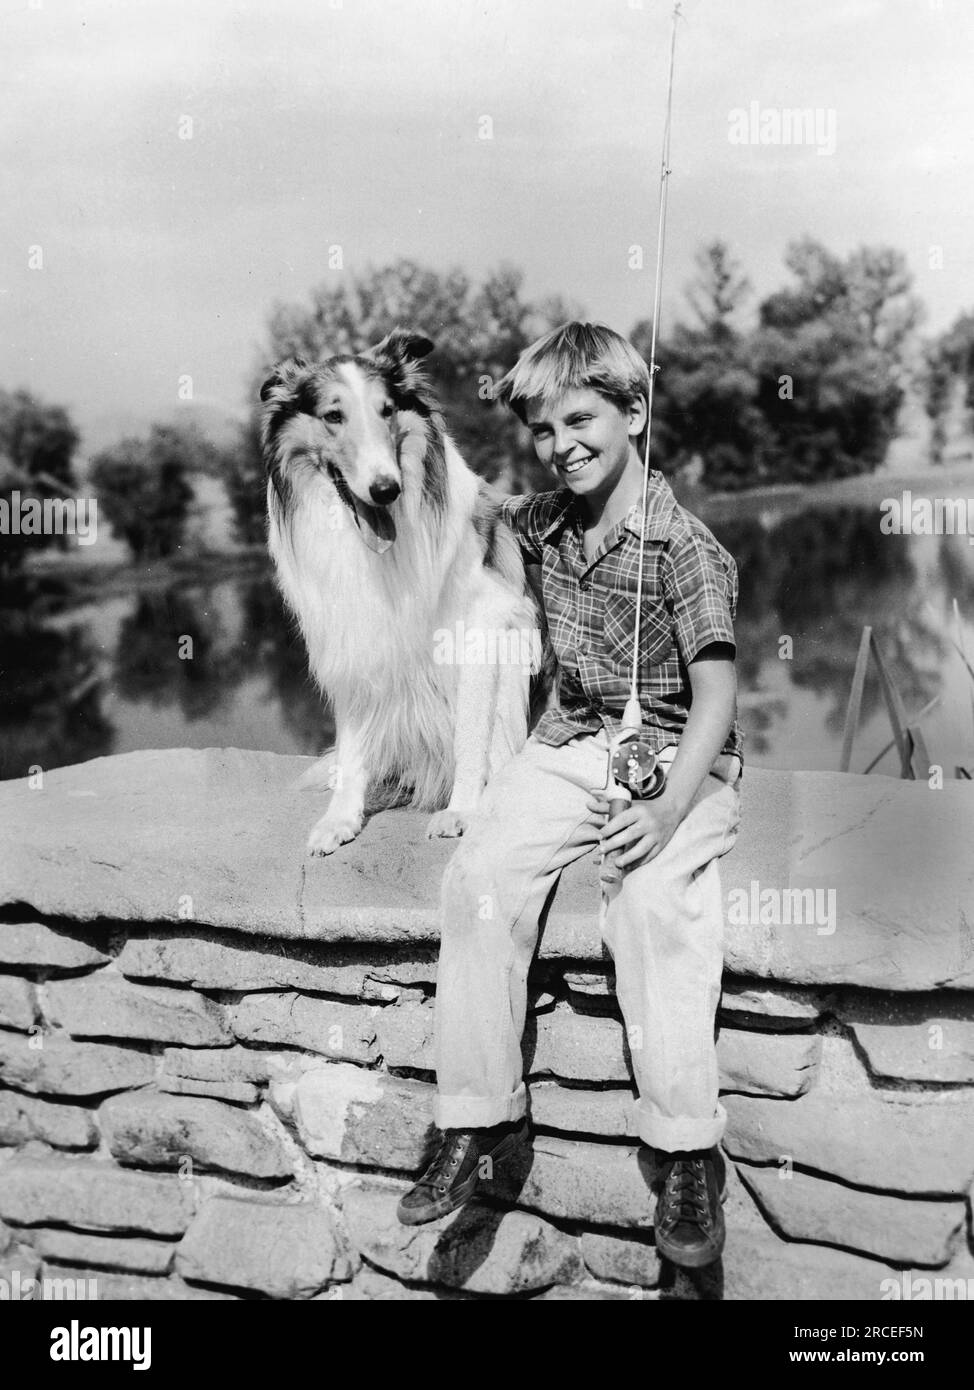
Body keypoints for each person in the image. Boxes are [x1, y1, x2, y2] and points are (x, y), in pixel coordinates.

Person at [397, 321, 744, 1269]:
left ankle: (684, 1149)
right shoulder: (541, 524)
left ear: (635, 413)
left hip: (679, 757)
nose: (563, 448)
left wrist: (669, 806)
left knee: (650, 897)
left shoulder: (686, 547)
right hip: (572, 745)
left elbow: (718, 693)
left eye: (583, 421)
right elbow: (469, 507)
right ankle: (474, 1117)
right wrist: (400, 456)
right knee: (479, 876)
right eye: (545, 432)